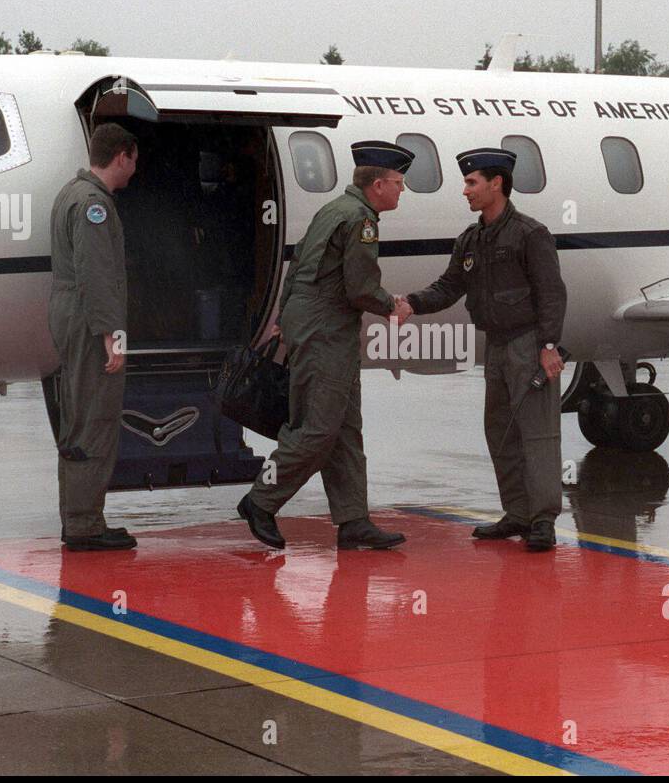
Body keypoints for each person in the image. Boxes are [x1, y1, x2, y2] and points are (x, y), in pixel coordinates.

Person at [237, 140, 414, 551]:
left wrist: (284, 316)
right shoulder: (361, 221)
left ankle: (353, 520)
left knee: (345, 428)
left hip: (317, 326)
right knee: (317, 429)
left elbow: (297, 264)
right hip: (326, 334)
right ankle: (260, 500)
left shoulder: (334, 210)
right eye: (399, 184)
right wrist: (393, 306)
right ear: (378, 185)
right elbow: (360, 287)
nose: (402, 191)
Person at [395, 148, 568, 552]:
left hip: (528, 344)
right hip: (496, 345)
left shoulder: (530, 234)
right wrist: (412, 304)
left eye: (472, 182)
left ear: (497, 184)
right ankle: (517, 513)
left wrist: (548, 346)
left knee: (538, 434)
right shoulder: (471, 239)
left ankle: (543, 520)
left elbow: (552, 293)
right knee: (501, 432)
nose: (466, 190)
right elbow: (449, 285)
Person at [48, 122, 140, 551]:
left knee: (78, 415)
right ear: (122, 156)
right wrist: (112, 336)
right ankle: (85, 524)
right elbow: (97, 274)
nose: (134, 172)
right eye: (133, 162)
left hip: (71, 315)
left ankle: (79, 518)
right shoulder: (93, 205)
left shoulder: (72, 192)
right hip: (90, 321)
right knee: (96, 418)